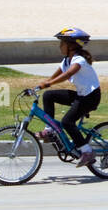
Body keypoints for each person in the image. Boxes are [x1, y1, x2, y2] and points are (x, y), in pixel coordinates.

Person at [35, 27, 102, 168]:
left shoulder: (79, 60)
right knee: (49, 96)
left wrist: (48, 83)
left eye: (62, 43)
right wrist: (40, 85)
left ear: (71, 45)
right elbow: (56, 74)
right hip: (80, 95)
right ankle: (49, 130)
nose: (60, 46)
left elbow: (67, 75)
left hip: (90, 97)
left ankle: (87, 151)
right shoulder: (66, 60)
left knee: (67, 122)